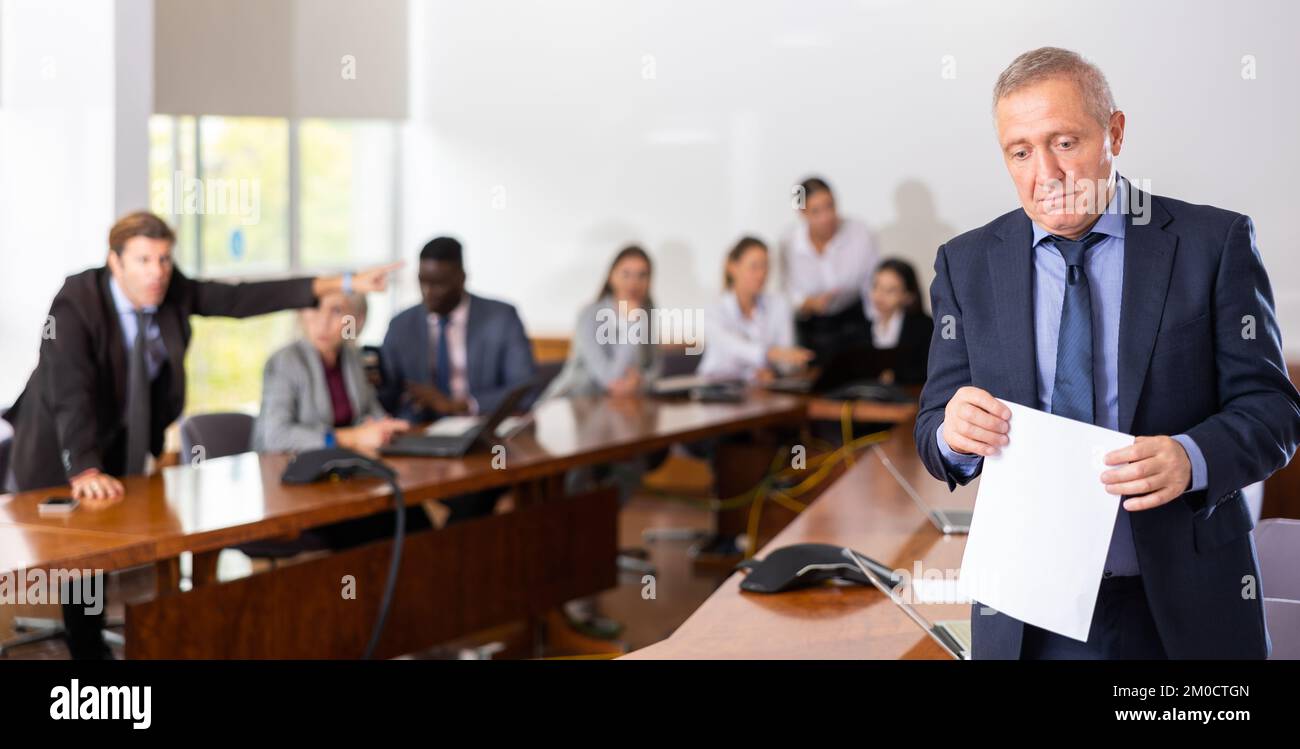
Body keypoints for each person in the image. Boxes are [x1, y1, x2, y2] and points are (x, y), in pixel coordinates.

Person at [915, 47, 1300, 659]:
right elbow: (934, 427)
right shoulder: (966, 265)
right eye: (1020, 152)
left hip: (1184, 602)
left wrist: (1191, 457)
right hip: (1028, 612)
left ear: (1114, 132)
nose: (1045, 172)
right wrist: (952, 435)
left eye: (1065, 142)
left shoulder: (1213, 243)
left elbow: (1273, 411)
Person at [3, 211, 400, 659]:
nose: (157, 272)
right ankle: (87, 650)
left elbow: (241, 298)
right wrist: (86, 465)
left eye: (165, 259)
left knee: (106, 551)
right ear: (115, 262)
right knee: (81, 557)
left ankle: (112, 637)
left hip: (121, 438)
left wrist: (341, 283)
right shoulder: (78, 300)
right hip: (59, 442)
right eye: (144, 260)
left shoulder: (172, 290)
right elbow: (70, 390)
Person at [378, 236, 537, 521]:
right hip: (421, 443)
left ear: (462, 278)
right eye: (423, 282)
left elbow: (524, 385)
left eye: (439, 283)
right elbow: (385, 395)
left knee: (477, 490)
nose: (430, 292)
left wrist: (461, 406)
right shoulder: (401, 325)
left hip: (484, 439)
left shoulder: (501, 317)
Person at [541, 245, 663, 400]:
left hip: (620, 406)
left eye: (642, 275)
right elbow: (611, 379)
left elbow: (654, 368)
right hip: (573, 402)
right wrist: (631, 323)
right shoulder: (589, 315)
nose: (634, 282)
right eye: (626, 274)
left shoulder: (647, 312)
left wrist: (640, 382)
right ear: (611, 276)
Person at [779, 176, 877, 361]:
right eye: (816, 211)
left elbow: (870, 285)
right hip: (812, 328)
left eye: (830, 206)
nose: (827, 217)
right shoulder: (788, 243)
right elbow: (785, 290)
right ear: (802, 212)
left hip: (854, 322)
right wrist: (806, 303)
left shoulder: (860, 233)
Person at [698, 236, 812, 382]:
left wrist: (786, 364)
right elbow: (733, 348)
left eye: (765, 266)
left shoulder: (779, 305)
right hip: (717, 387)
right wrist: (768, 358)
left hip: (762, 388)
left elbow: (786, 361)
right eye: (754, 267)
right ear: (732, 267)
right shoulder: (713, 310)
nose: (761, 274)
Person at [864, 258, 933, 386]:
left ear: (908, 296)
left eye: (890, 290)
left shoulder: (924, 327)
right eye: (876, 286)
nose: (879, 296)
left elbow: (926, 370)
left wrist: (896, 376)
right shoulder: (860, 326)